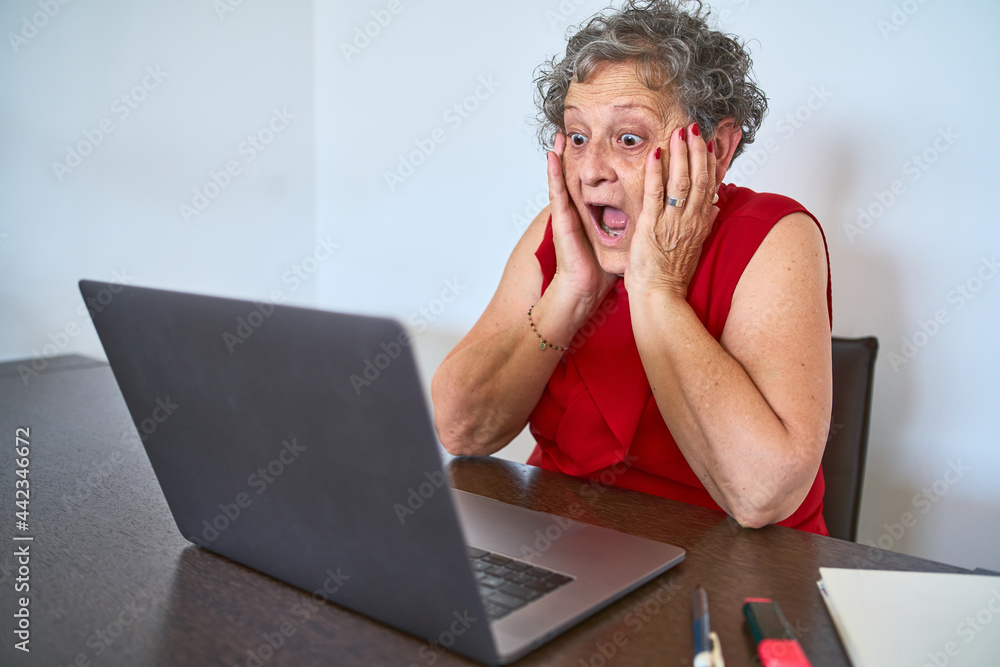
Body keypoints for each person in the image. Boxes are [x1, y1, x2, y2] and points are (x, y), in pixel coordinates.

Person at [430, 0, 833, 534]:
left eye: (628, 139)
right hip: (558, 543)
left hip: (729, 563)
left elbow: (762, 496)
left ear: (716, 149)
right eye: (578, 138)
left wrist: (655, 289)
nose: (591, 171)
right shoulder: (563, 228)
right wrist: (571, 292)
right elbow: (461, 429)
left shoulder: (775, 236)